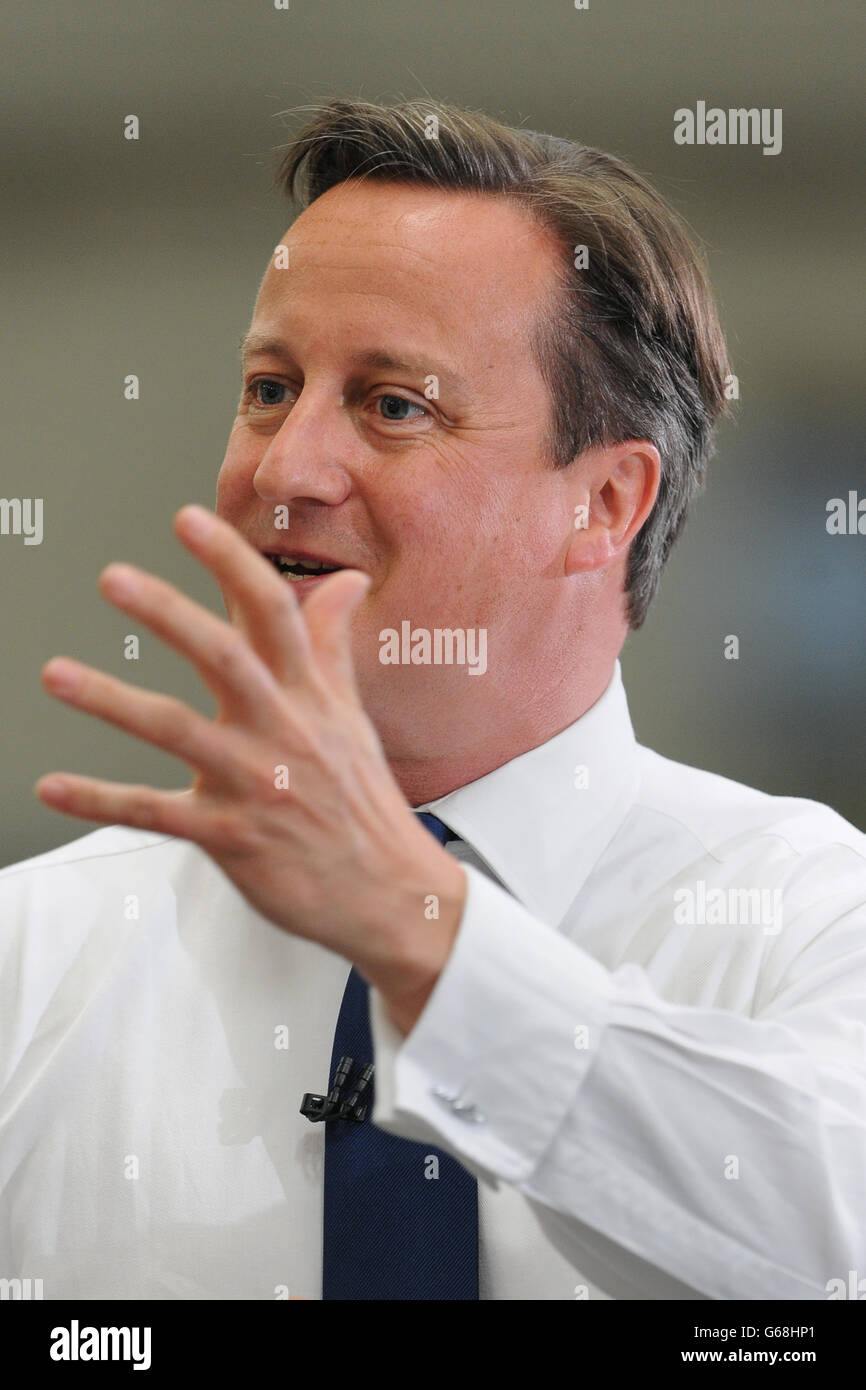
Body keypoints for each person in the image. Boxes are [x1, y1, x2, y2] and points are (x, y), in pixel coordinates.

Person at [1, 97, 864, 1302]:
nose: (284, 468)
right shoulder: (30, 950)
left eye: (392, 404)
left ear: (604, 504)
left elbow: (823, 1252)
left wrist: (425, 934)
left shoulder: (808, 917)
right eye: (268, 388)